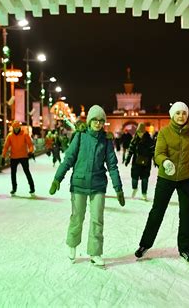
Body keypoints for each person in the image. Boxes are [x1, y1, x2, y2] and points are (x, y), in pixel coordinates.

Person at [49, 105, 125, 267]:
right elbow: (68, 158)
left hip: (98, 184)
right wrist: (57, 179)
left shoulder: (106, 141)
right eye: (95, 120)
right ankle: (72, 244)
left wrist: (118, 188)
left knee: (97, 219)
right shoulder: (80, 136)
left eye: (101, 121)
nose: (98, 123)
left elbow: (112, 165)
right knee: (77, 217)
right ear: (90, 121)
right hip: (79, 184)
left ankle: (95, 252)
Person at [134, 102, 189, 265]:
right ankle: (144, 244)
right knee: (157, 211)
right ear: (172, 115)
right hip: (166, 177)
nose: (181, 116)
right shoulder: (165, 132)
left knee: (187, 213)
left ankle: (185, 249)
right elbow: (158, 153)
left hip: (186, 178)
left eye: (184, 113)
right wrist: (165, 162)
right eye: (178, 113)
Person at [2, 121, 35, 195]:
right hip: (14, 157)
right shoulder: (10, 136)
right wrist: (3, 156)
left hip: (23, 156)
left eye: (17, 128)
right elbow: (6, 146)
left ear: (19, 127)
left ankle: (32, 187)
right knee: (13, 173)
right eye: (15, 128)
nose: (16, 129)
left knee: (27, 172)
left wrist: (30, 151)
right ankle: (14, 188)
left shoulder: (25, 135)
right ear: (13, 128)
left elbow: (30, 144)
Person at [125, 123, 154, 201]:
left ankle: (144, 193)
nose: (140, 134)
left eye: (141, 132)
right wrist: (127, 160)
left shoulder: (149, 140)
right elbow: (130, 151)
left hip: (146, 163)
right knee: (134, 177)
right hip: (136, 162)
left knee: (145, 179)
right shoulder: (134, 140)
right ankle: (134, 188)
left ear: (144, 132)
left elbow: (153, 152)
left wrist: (155, 161)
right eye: (139, 132)